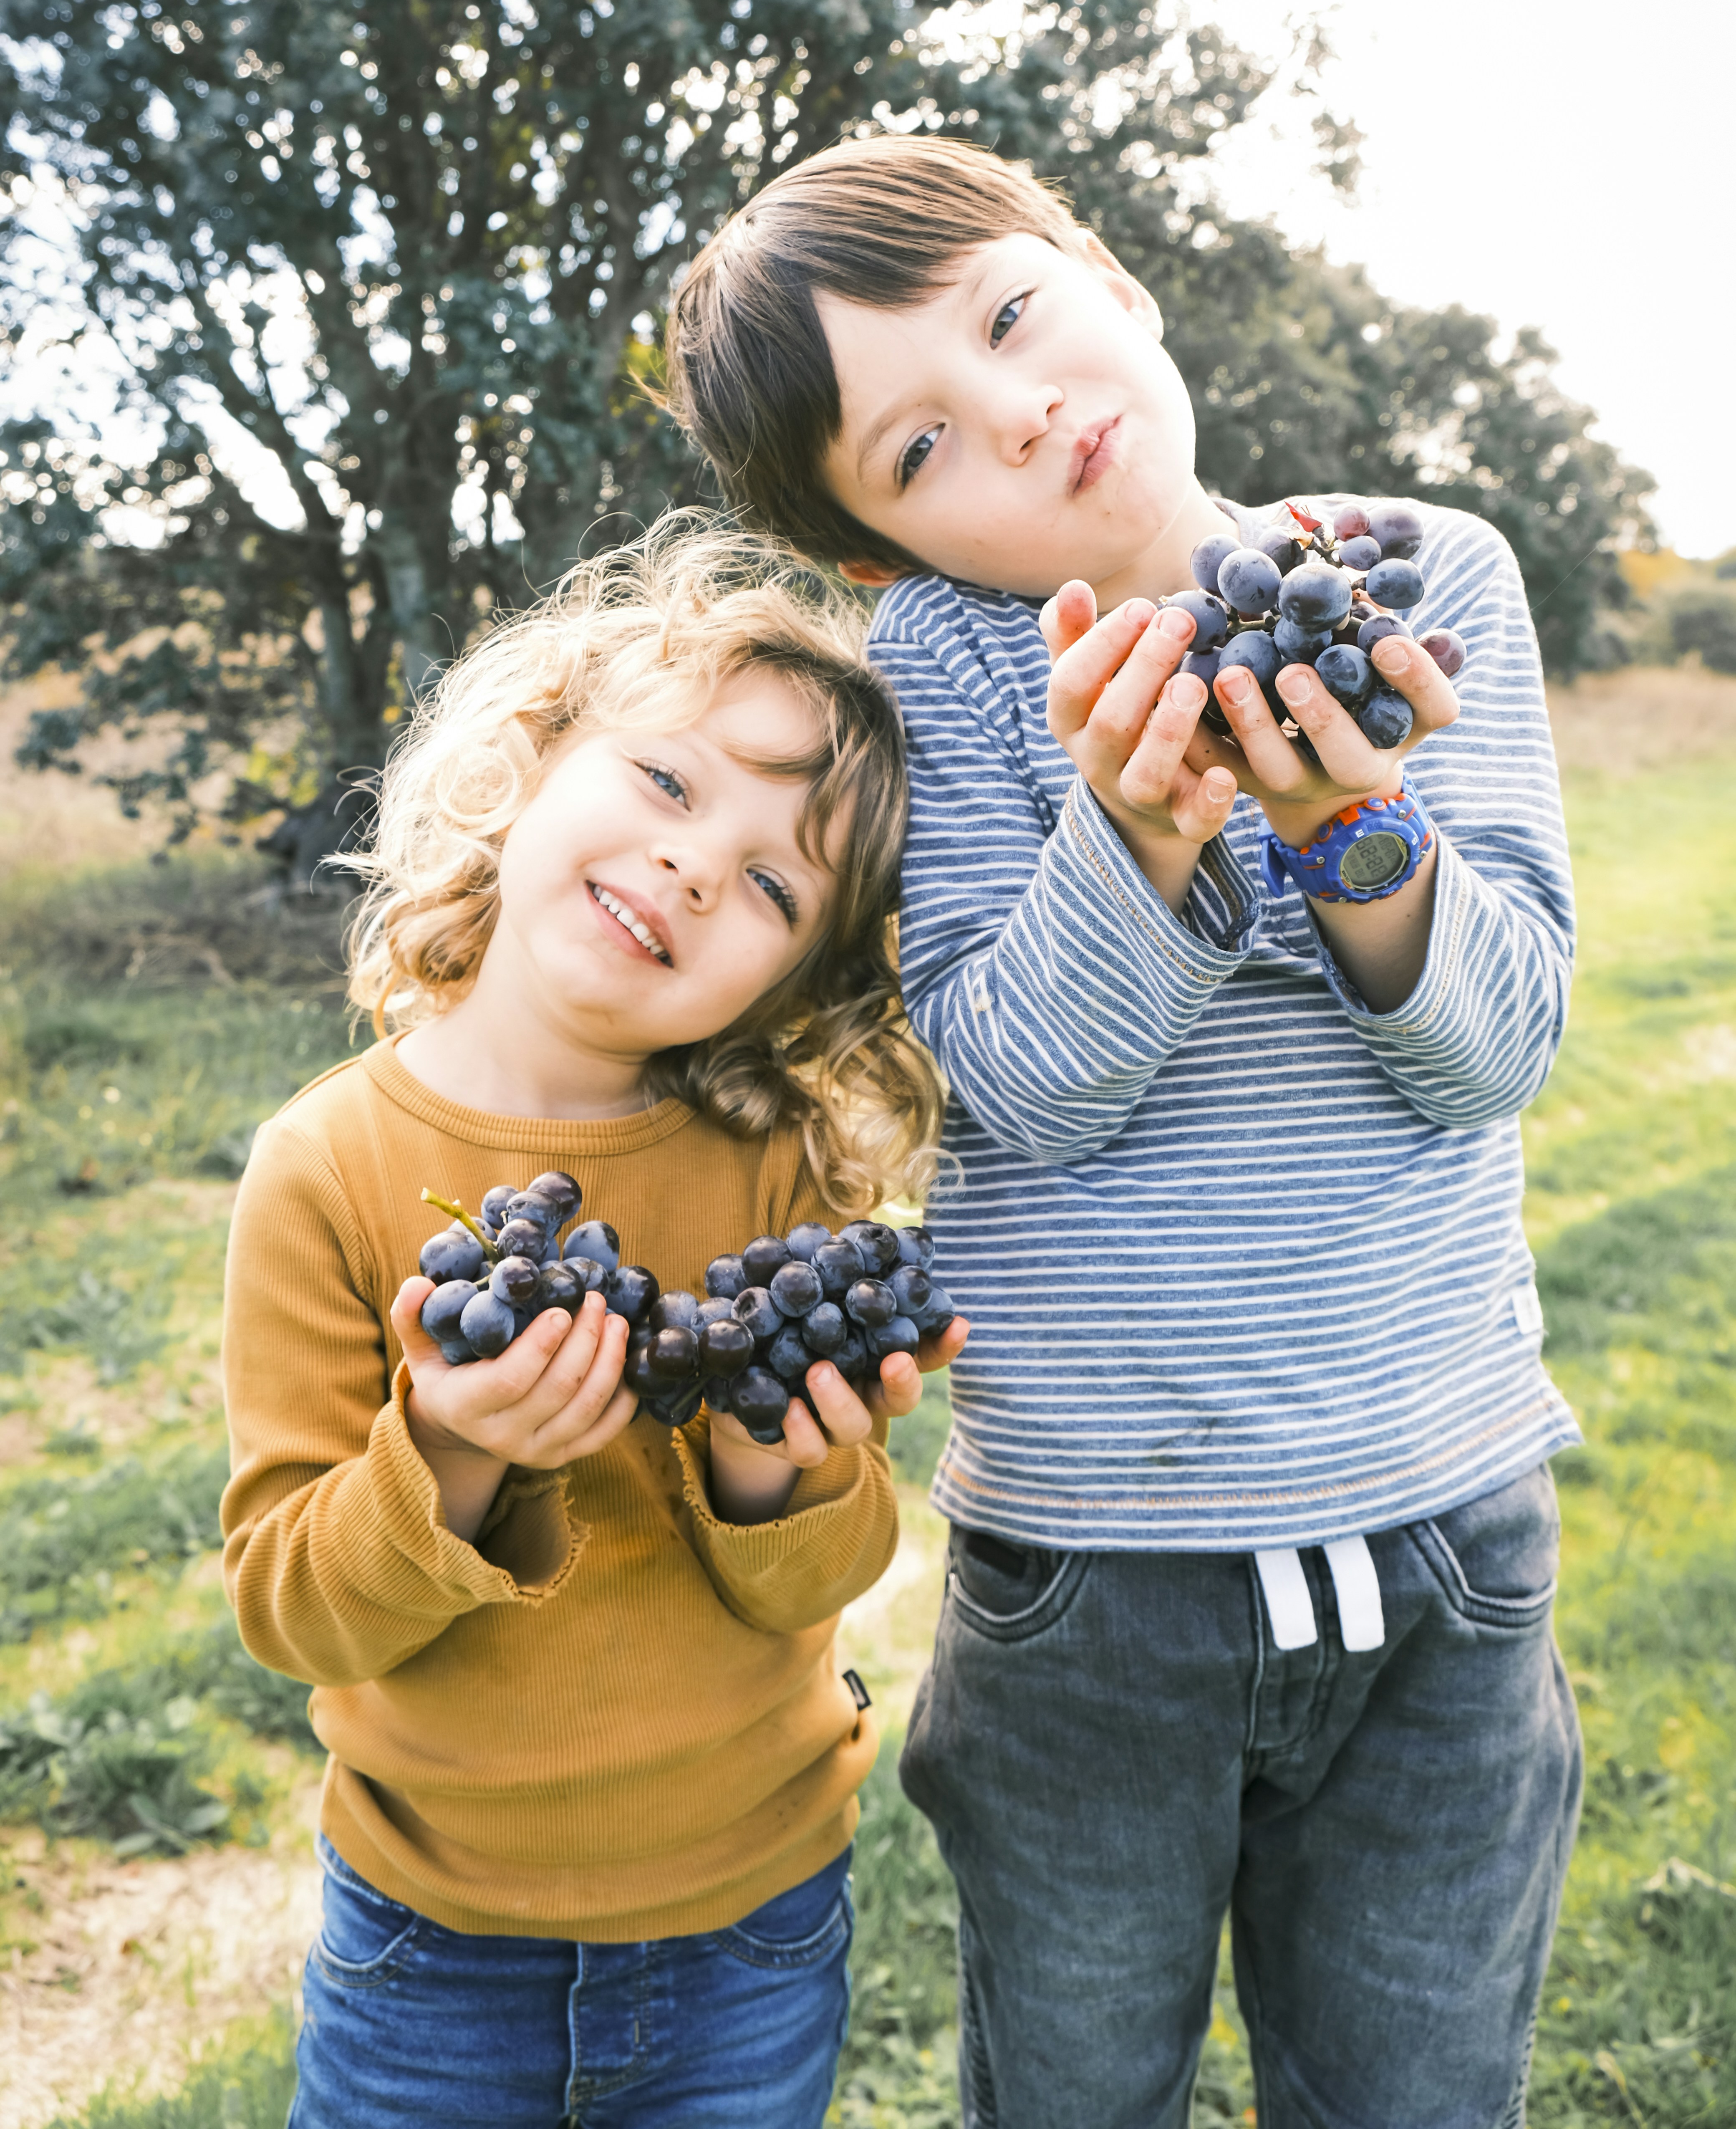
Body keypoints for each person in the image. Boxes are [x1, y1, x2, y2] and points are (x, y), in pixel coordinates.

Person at [662, 137, 1585, 2129]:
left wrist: (1345, 825)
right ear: (877, 553)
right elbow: (1024, 1085)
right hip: (1091, 1574)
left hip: (1437, 1531)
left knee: (1416, 2089)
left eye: (1009, 316)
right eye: (917, 449)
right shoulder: (939, 673)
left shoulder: (1426, 582)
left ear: (1112, 279)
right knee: (1074, 2088)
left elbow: (1493, 1049)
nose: (1013, 411)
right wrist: (1141, 832)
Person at [220, 522, 961, 2129]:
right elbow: (293, 1615)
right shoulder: (326, 1168)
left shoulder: (778, 1172)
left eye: (774, 884)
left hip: (753, 1929)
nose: (697, 866)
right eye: (672, 783)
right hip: (430, 1951)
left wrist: (775, 1467)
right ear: (535, 752)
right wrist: (447, 1454)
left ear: (793, 984)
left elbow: (827, 1577)